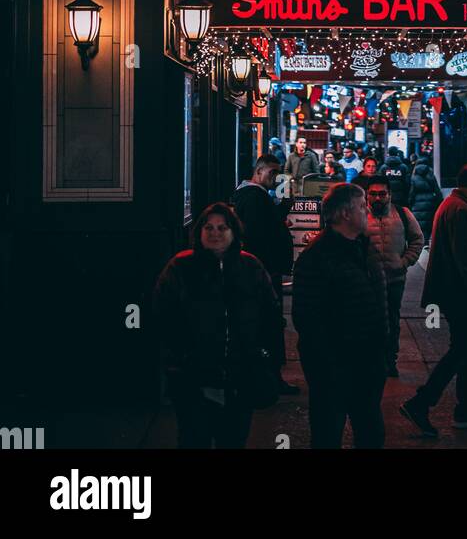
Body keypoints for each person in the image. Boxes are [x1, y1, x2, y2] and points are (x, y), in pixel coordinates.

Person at [154, 202, 279, 448]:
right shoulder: (180, 267)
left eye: (222, 228)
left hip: (240, 375)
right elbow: (162, 315)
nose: (215, 233)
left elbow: (270, 314)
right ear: (199, 231)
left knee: (233, 439)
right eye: (209, 227)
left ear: (234, 231)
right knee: (193, 438)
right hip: (192, 377)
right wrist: (178, 359)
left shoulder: (250, 267)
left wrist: (260, 355)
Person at [401, 162, 467, 438]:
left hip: (456, 292)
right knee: (463, 350)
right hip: (461, 294)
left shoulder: (455, 206)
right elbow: (466, 258)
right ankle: (421, 402)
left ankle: (466, 409)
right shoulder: (459, 210)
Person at [292, 182, 389, 449]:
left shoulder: (363, 248)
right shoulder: (317, 257)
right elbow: (308, 319)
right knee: (327, 434)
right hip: (333, 369)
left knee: (371, 434)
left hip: (367, 364)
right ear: (345, 214)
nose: (366, 210)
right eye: (361, 206)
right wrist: (329, 364)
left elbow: (377, 304)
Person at [232, 155, 298, 395]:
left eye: (278, 173)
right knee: (268, 325)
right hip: (265, 271)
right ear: (259, 171)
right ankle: (269, 379)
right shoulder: (255, 197)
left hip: (264, 270)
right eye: (272, 173)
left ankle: (268, 377)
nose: (275, 178)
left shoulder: (252, 195)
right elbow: (258, 236)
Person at [366, 176, 424, 376]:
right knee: (370, 322)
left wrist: (404, 262)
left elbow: (417, 240)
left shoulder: (403, 214)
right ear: (367, 194)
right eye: (373, 194)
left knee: (392, 321)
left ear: (389, 194)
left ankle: (390, 361)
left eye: (382, 194)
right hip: (368, 283)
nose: (377, 198)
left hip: (394, 280)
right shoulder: (359, 215)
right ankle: (372, 361)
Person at [408, 154, 444, 242]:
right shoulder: (430, 173)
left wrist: (410, 204)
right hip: (430, 205)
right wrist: (440, 202)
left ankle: (421, 247)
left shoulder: (414, 175)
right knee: (428, 228)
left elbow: (411, 193)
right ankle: (426, 245)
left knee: (419, 228)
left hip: (417, 206)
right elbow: (437, 190)